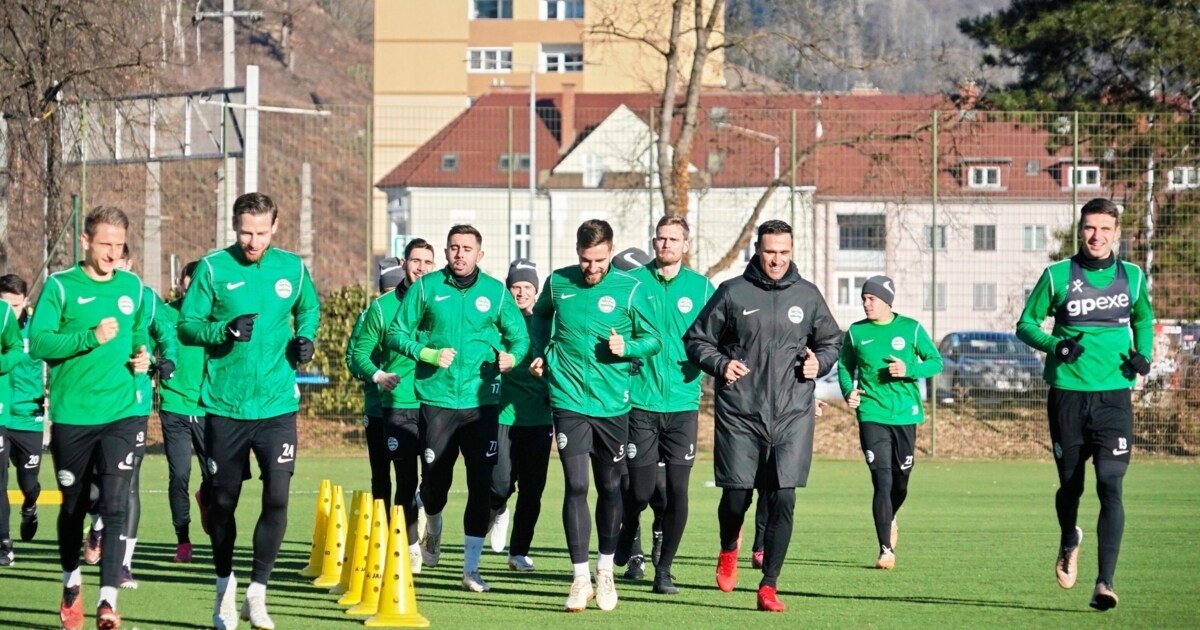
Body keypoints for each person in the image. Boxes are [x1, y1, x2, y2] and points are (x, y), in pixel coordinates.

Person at [684, 219, 841, 612]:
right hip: (741, 413)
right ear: (758, 249)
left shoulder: (807, 296)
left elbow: (830, 341)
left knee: (784, 497)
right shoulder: (733, 292)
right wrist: (721, 364)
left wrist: (817, 364)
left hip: (792, 414)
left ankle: (769, 585)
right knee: (737, 497)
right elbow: (696, 340)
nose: (777, 260)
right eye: (770, 251)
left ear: (792, 251)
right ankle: (728, 546)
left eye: (784, 252)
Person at [179, 192, 320, 630]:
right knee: (223, 503)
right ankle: (225, 588)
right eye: (245, 232)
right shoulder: (213, 268)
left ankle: (257, 594)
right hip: (226, 405)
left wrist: (306, 340)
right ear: (234, 226)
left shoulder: (292, 268)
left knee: (277, 495)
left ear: (275, 227)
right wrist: (223, 329)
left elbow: (308, 308)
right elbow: (187, 325)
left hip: (277, 403)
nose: (252, 241)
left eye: (260, 232)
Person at [1016, 198, 1154, 611]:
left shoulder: (1132, 276)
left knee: (1110, 483)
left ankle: (1104, 583)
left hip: (1114, 397)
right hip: (1068, 397)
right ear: (1081, 230)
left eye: (1105, 229)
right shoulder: (1058, 276)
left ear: (1117, 232)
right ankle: (1068, 537)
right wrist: (1056, 344)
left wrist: (1142, 354)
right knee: (1071, 486)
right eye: (1090, 228)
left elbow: (1143, 318)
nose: (1097, 236)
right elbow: (1025, 325)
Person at [384, 225, 528, 593]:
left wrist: (513, 356)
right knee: (435, 482)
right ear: (447, 252)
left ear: (480, 254)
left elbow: (520, 337)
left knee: (482, 484)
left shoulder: (495, 293)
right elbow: (397, 333)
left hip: (482, 404)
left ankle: (471, 569)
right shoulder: (426, 288)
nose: (459, 254)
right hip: (437, 401)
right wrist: (427, 353)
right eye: (453, 248)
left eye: (467, 248)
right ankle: (431, 522)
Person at [529, 219, 663, 612]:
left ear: (611, 251)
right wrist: (541, 352)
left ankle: (606, 572)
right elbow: (540, 317)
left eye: (600, 260)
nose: (592, 268)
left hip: (612, 405)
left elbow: (654, 340)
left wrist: (629, 347)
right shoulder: (558, 283)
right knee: (575, 487)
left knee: (609, 488)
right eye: (586, 260)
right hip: (568, 399)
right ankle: (580, 577)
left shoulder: (631, 288)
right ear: (577, 253)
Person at [29, 205, 151, 630]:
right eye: (105, 244)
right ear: (84, 242)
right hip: (72, 416)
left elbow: (138, 333)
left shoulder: (133, 286)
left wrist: (142, 356)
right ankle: (70, 583)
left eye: (119, 245)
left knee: (115, 505)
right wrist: (89, 337)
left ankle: (107, 602)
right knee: (73, 507)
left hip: (120, 414)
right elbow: (39, 342)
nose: (113, 253)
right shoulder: (61, 287)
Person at [612, 217, 714, 595]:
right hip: (641, 401)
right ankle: (628, 530)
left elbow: (722, 335)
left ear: (685, 244)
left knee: (676, 492)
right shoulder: (632, 284)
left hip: (684, 402)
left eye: (674, 239)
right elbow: (614, 329)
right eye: (661, 238)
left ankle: (664, 570)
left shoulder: (702, 288)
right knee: (638, 491)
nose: (666, 244)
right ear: (653, 241)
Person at [836, 275, 942, 570]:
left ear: (886, 301)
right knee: (881, 479)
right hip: (872, 413)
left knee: (901, 480)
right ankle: (885, 549)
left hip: (906, 414)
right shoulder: (857, 333)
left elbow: (936, 362)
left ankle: (891, 514)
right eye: (864, 299)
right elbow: (845, 365)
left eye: (871, 299)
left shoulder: (911, 329)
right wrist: (849, 391)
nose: (865, 303)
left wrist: (909, 368)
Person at [345, 241, 435, 574]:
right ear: (404, 262)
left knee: (434, 479)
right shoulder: (380, 310)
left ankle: (427, 511)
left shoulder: (439, 301)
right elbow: (356, 356)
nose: (421, 267)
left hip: (434, 404)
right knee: (393, 478)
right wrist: (377, 376)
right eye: (416, 260)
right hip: (389, 406)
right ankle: (397, 543)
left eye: (428, 262)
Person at [109, 247, 179, 588]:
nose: (111, 263)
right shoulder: (82, 293)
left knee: (129, 483)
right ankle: (97, 526)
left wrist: (166, 361)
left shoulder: (146, 298)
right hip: (87, 406)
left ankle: (123, 563)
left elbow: (169, 336)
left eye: (118, 258)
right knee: (93, 488)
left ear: (129, 262)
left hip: (133, 404)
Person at [486, 258, 553, 572]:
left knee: (533, 490)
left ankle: (519, 551)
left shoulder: (546, 324)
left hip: (539, 419)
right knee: (499, 485)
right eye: (516, 286)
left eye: (527, 287)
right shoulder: (498, 323)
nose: (521, 292)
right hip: (503, 417)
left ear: (536, 291)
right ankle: (498, 511)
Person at [608, 247, 669, 581]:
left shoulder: (656, 304)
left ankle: (660, 539)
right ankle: (634, 554)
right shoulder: (612, 309)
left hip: (657, 406)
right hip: (622, 409)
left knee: (660, 489)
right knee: (630, 486)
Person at [159, 260, 209, 564]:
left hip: (208, 408)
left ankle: (206, 497)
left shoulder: (216, 316)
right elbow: (143, 344)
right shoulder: (166, 314)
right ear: (180, 284)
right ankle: (183, 540)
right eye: (186, 288)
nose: (190, 294)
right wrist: (153, 363)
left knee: (216, 478)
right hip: (174, 406)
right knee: (179, 474)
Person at [0, 275, 28, 566]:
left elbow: (15, 350)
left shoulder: (3, 314)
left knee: (8, 481)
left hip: (6, 413)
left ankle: (4, 542)